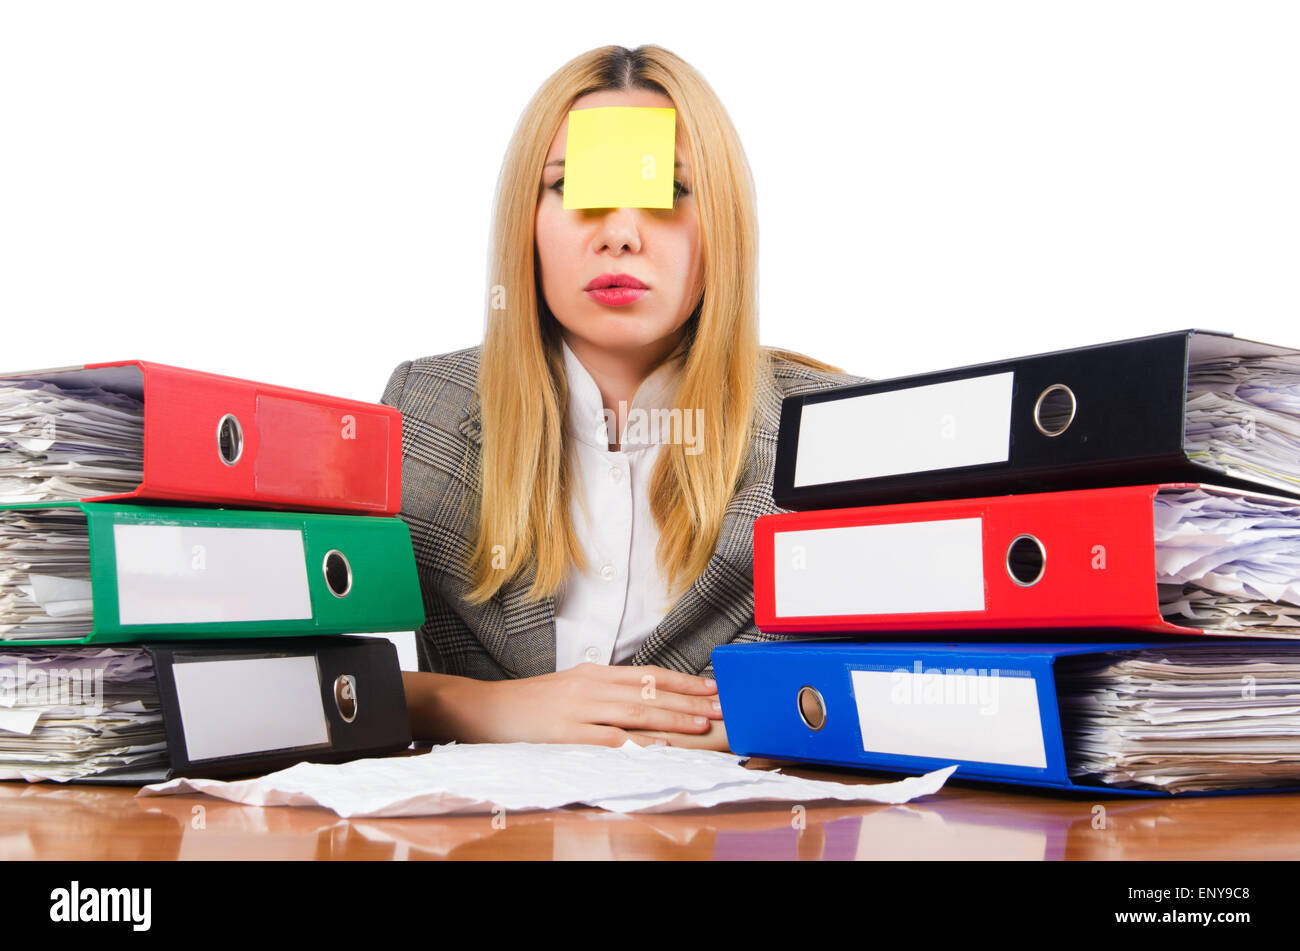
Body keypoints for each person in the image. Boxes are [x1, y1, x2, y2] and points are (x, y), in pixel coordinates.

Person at [381, 44, 865, 751]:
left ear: (721, 224)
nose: (620, 234)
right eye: (577, 189)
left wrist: (781, 719)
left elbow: (937, 684)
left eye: (666, 191)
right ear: (528, 217)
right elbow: (294, 677)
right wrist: (474, 705)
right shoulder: (423, 412)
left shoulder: (838, 433)